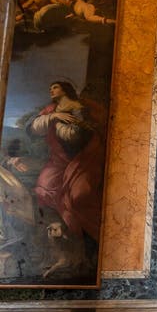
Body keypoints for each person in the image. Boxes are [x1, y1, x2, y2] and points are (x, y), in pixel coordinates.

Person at [28, 81, 105, 243]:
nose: (51, 90)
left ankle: (87, 236)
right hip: (58, 159)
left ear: (65, 90)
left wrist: (58, 127)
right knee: (44, 186)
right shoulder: (51, 109)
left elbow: (77, 137)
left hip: (83, 158)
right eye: (50, 88)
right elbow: (33, 127)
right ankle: (59, 230)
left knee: (78, 196)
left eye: (55, 87)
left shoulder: (77, 107)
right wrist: (54, 116)